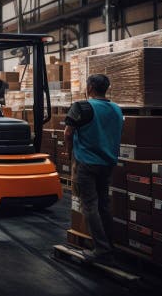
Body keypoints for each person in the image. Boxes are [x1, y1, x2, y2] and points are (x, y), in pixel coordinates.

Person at [64, 74, 123, 264]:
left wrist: (69, 153)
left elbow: (68, 133)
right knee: (103, 205)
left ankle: (102, 250)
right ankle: (109, 246)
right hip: (108, 162)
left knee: (89, 205)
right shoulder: (116, 109)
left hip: (87, 163)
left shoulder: (81, 106)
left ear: (89, 87)